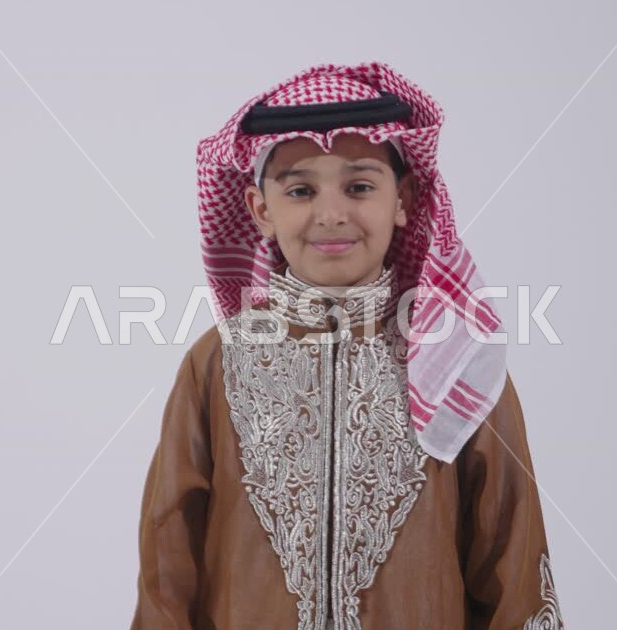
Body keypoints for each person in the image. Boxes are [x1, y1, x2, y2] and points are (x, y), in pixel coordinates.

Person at [130, 61, 565, 630]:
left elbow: (510, 553)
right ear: (261, 210)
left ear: (403, 199)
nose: (332, 214)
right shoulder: (218, 361)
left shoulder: (455, 356)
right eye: (301, 190)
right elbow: (168, 559)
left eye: (359, 187)